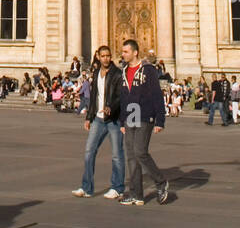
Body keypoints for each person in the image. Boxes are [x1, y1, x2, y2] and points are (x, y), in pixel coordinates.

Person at [118, 38, 169, 207]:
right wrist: (122, 121)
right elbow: (123, 98)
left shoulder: (148, 70)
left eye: (125, 52)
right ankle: (136, 194)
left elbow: (156, 95)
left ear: (135, 52)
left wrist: (160, 120)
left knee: (140, 151)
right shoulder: (124, 71)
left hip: (144, 115)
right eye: (122, 51)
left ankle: (161, 182)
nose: (123, 54)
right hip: (130, 116)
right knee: (131, 156)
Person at [72, 45, 124, 199]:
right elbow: (94, 95)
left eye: (108, 55)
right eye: (103, 56)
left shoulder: (117, 74)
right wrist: (89, 117)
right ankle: (87, 187)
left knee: (117, 155)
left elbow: (120, 96)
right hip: (98, 119)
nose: (106, 58)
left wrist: (111, 107)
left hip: (114, 119)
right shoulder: (96, 73)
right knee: (89, 151)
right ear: (98, 57)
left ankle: (118, 188)